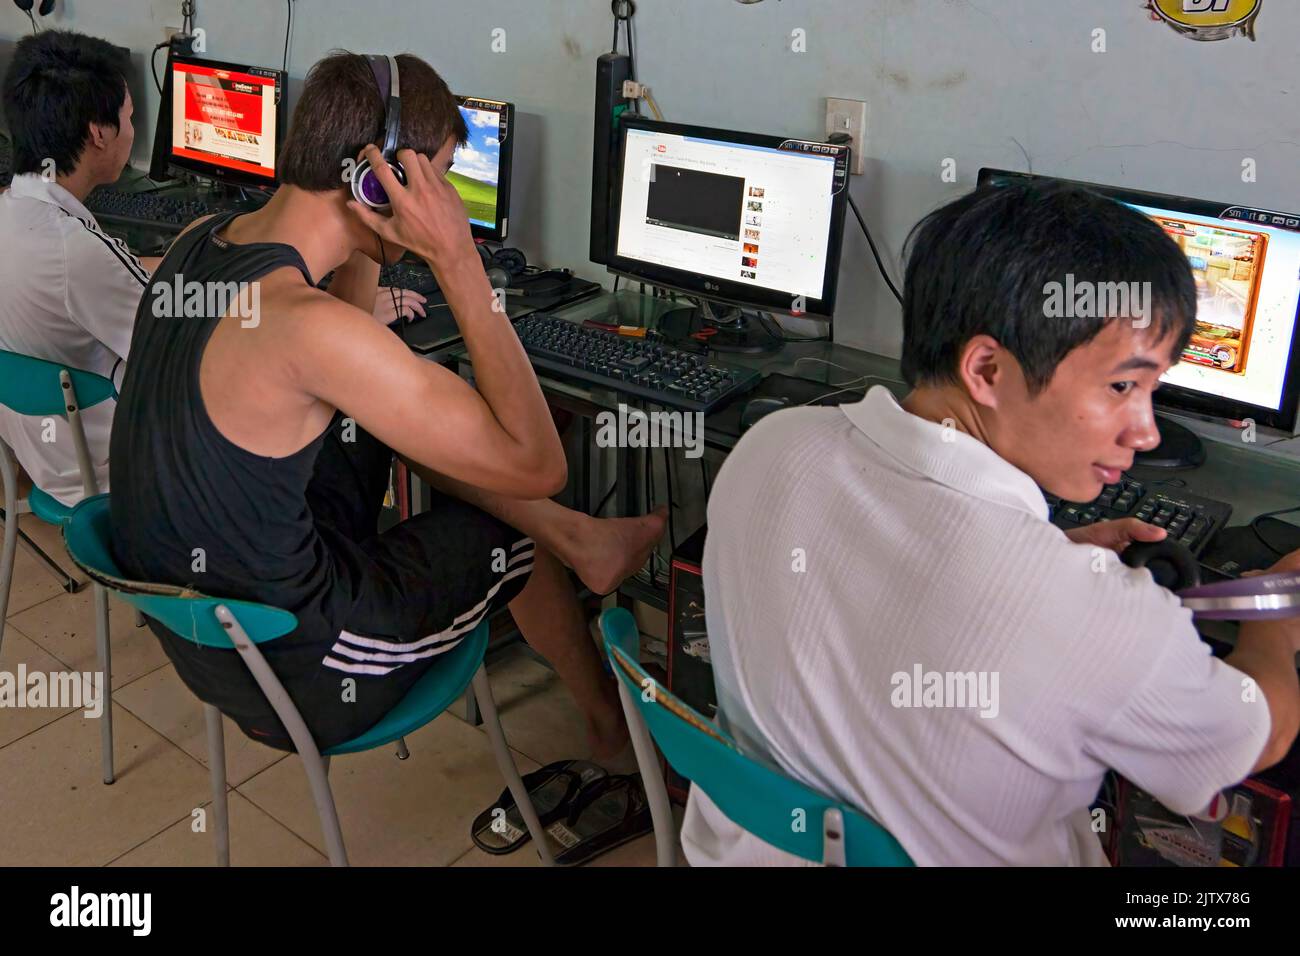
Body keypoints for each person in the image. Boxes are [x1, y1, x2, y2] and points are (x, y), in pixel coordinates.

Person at [683, 180, 1300, 865]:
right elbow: (1249, 740)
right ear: (986, 369)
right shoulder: (1091, 616)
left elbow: (892, 572)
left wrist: (1046, 555)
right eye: (1123, 386)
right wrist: (1273, 618)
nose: (1147, 432)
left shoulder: (775, 442)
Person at [109, 51, 665, 755]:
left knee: (383, 424)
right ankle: (611, 725)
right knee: (510, 535)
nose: (444, 202)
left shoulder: (201, 245)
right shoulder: (306, 328)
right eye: (440, 181)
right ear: (381, 183)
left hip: (207, 631)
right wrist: (456, 259)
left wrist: (376, 232)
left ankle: (583, 544)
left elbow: (346, 342)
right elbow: (539, 466)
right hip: (298, 668)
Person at [0, 30, 158, 505]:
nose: (131, 131)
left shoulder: (13, 212)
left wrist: (167, 264)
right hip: (106, 472)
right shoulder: (75, 251)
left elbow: (104, 276)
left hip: (41, 455)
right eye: (129, 118)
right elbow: (184, 342)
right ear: (98, 132)